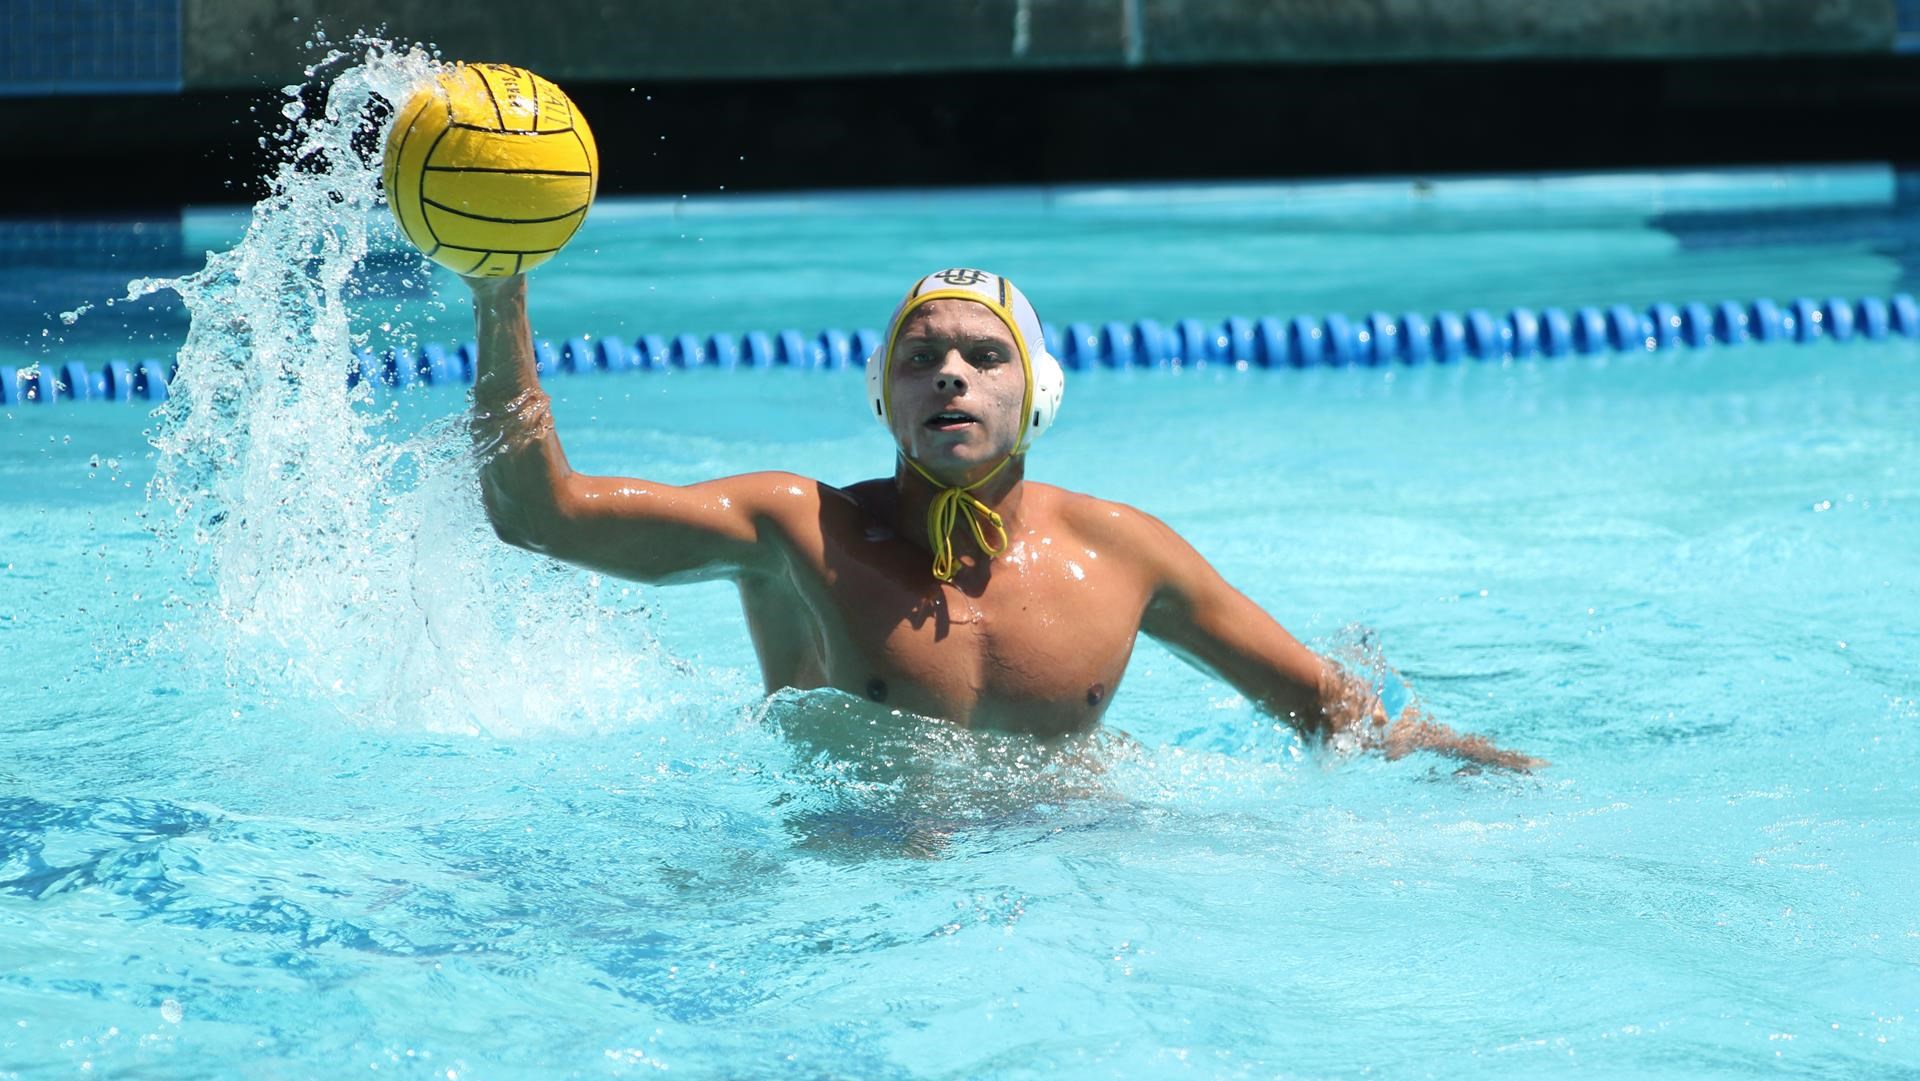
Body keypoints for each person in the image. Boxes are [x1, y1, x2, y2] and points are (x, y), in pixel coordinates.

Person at [464, 267, 1541, 770]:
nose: (950, 376)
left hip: (1075, 869)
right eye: (920, 357)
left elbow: (1326, 709)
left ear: (1038, 395)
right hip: (853, 884)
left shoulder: (1123, 555)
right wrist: (498, 292)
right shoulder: (797, 530)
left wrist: (1470, 761)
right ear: (882, 398)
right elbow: (540, 515)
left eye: (985, 357)